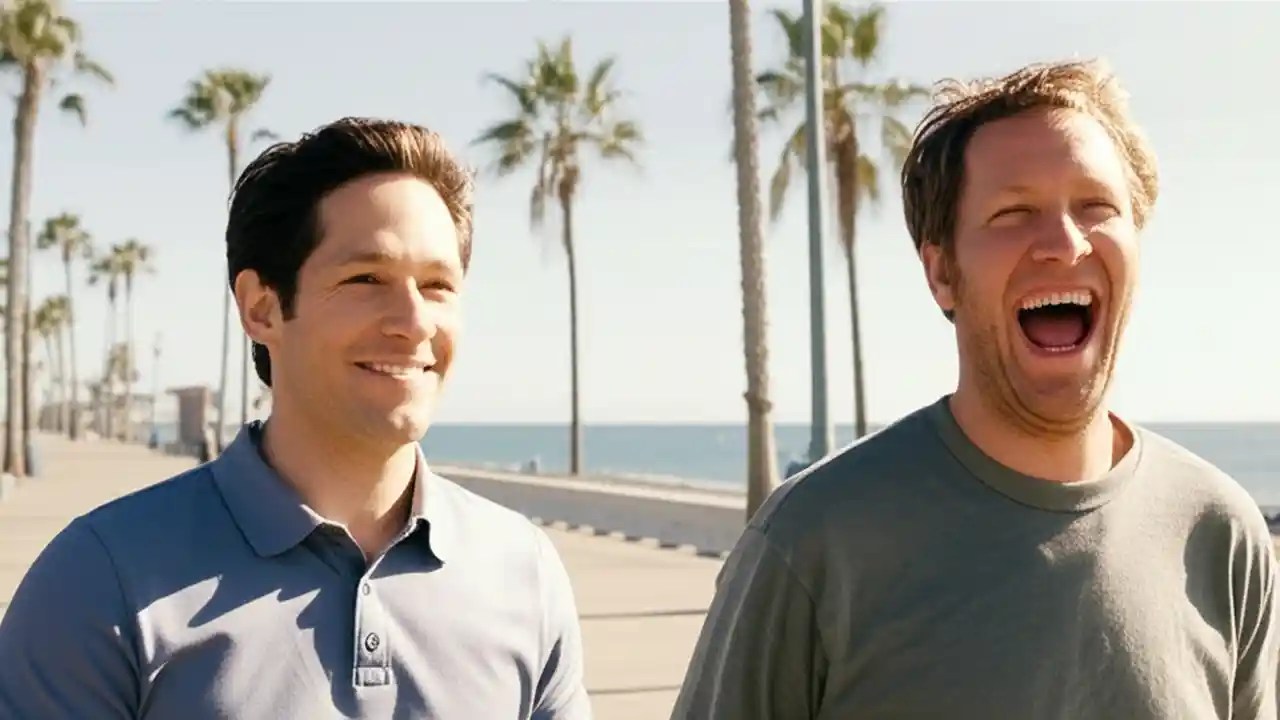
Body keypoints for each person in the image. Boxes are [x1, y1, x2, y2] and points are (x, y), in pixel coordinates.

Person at [671, 59, 1279, 719]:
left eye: (1097, 207)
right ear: (941, 274)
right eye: (1014, 212)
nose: (1064, 242)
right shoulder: (817, 541)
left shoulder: (1221, 533)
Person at [0, 117, 592, 719]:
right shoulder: (101, 581)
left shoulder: (524, 573)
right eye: (366, 279)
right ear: (261, 308)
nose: (414, 322)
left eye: (438, 285)